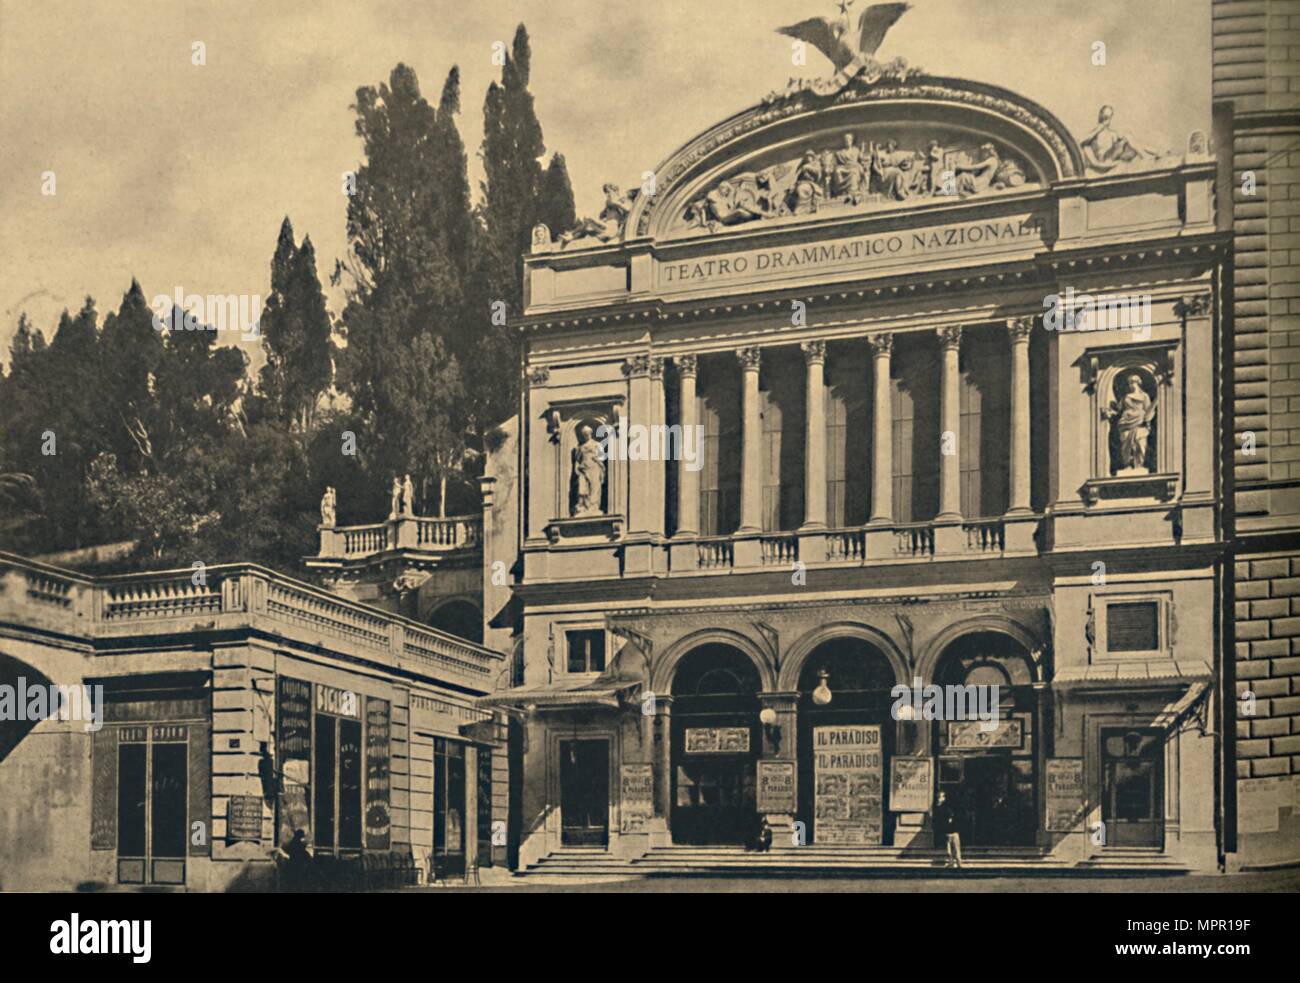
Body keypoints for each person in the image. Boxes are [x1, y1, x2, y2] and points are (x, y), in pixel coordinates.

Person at [935, 791, 962, 869]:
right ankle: (952, 862)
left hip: (952, 831)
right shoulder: (939, 807)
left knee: (955, 849)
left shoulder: (946, 807)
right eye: (939, 797)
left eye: (941, 797)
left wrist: (949, 820)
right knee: (949, 850)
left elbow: (950, 817)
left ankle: (958, 863)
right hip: (948, 832)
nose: (940, 798)